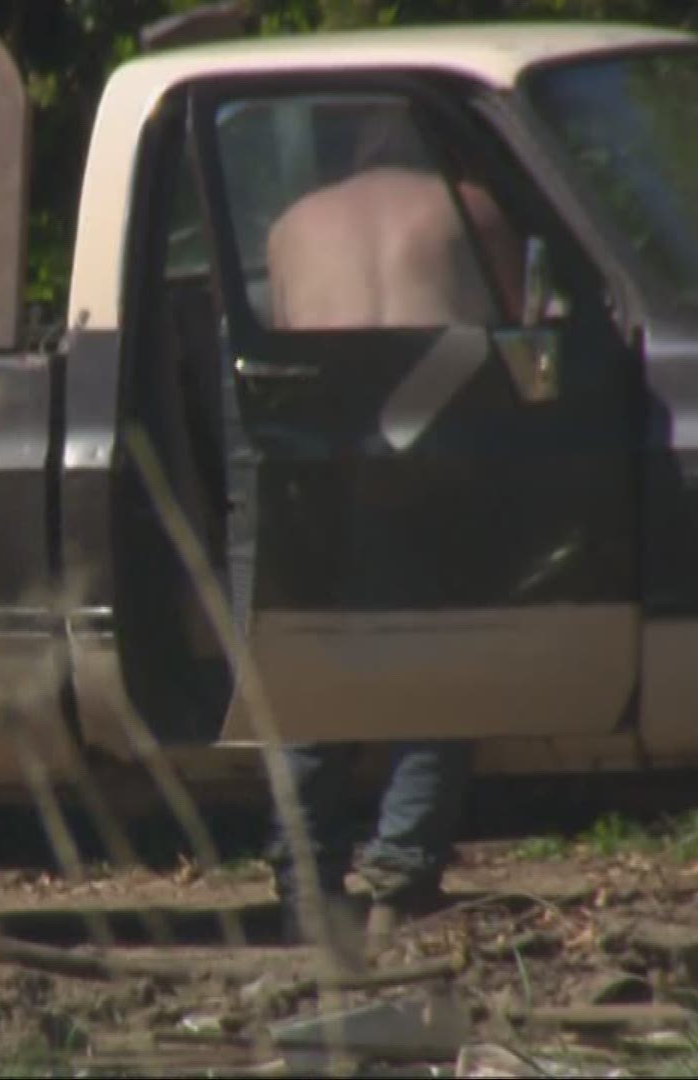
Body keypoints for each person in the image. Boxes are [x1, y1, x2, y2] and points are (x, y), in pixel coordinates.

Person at [259, 103, 524, 949]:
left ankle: (304, 880)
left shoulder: (292, 226)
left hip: (321, 465)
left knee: (315, 674)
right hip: (431, 457)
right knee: (432, 665)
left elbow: (287, 337)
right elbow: (520, 334)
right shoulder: (472, 211)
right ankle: (399, 879)